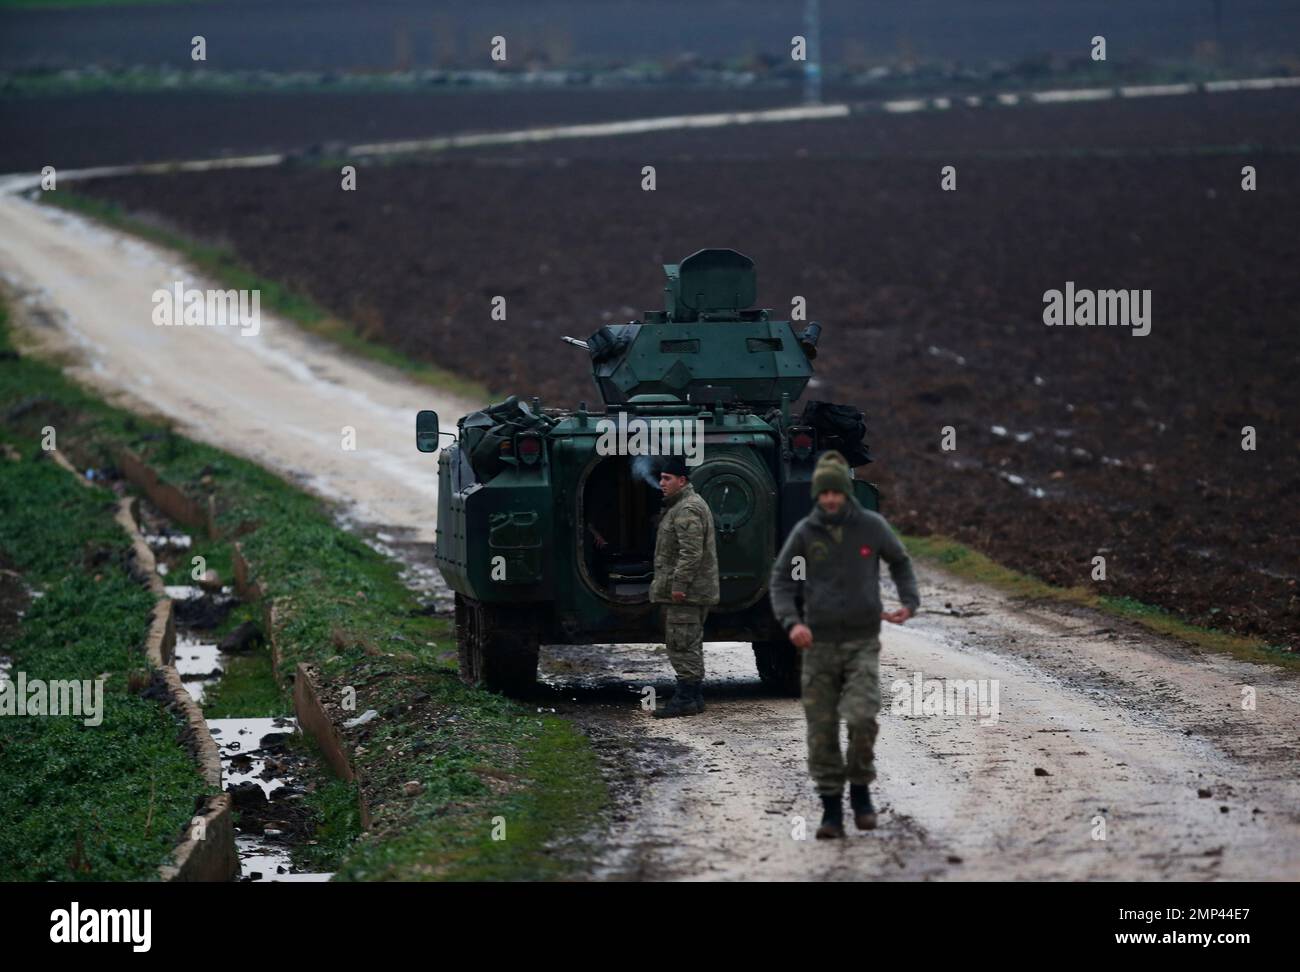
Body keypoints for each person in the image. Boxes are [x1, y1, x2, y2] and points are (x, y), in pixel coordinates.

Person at [769, 450, 920, 838]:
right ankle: (831, 811)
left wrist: (909, 602)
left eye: (836, 493)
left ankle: (861, 792)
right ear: (817, 496)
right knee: (821, 731)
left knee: (861, 717)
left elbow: (900, 562)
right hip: (817, 646)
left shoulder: (871, 527)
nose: (831, 500)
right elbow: (781, 581)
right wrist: (792, 623)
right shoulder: (805, 532)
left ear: (846, 492)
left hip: (861, 642)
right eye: (824, 494)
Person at [648, 454, 719, 718]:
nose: (661, 483)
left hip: (686, 593)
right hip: (691, 590)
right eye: (661, 478)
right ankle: (694, 696)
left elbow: (691, 553)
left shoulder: (687, 509)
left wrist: (679, 585)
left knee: (681, 643)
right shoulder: (681, 505)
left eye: (667, 478)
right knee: (689, 642)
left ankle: (686, 698)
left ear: (682, 480)